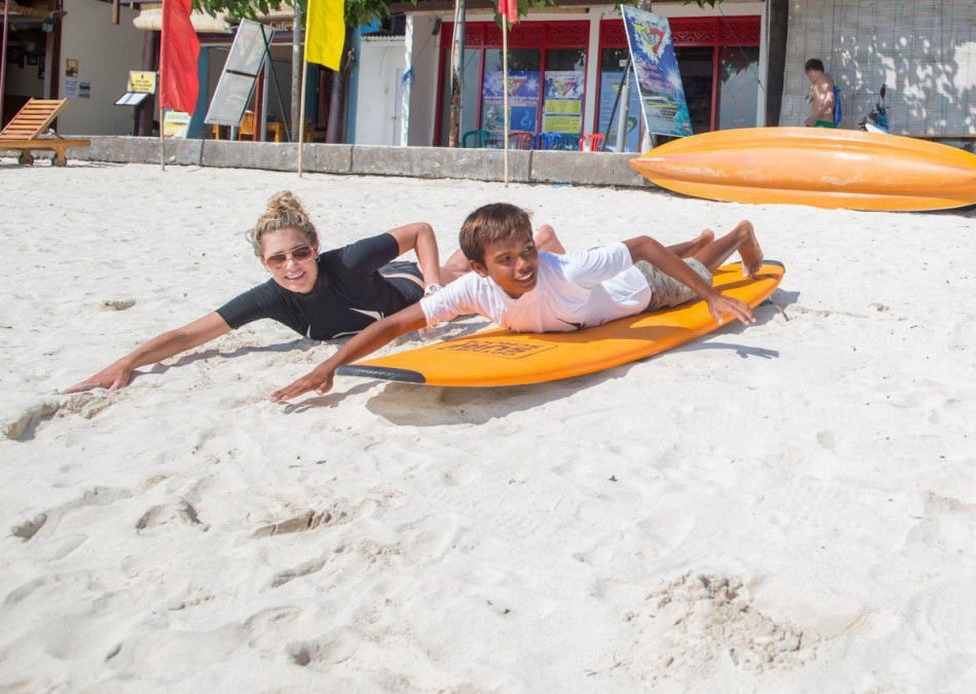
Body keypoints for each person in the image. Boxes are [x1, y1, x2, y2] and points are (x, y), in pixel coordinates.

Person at [271, 206, 764, 403]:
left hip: (640, 294)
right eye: (506, 259)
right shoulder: (469, 290)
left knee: (696, 270)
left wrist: (712, 295)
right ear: (480, 268)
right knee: (637, 261)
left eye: (528, 250)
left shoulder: (563, 269)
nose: (524, 264)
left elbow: (639, 244)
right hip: (607, 285)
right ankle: (699, 241)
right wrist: (332, 366)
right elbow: (396, 324)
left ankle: (736, 235)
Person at [62, 191, 509, 393]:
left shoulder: (346, 261)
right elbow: (189, 336)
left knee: (472, 278)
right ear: (264, 263)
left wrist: (431, 289)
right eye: (278, 260)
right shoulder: (270, 298)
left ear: (315, 248)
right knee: (462, 267)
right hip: (387, 281)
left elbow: (419, 230)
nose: (291, 266)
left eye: (300, 253)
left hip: (405, 289)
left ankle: (541, 241)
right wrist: (127, 362)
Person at [803, 58, 840, 128]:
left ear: (811, 71)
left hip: (823, 123)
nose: (809, 78)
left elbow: (830, 100)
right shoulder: (822, 80)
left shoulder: (823, 78)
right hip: (819, 121)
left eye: (808, 75)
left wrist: (814, 119)